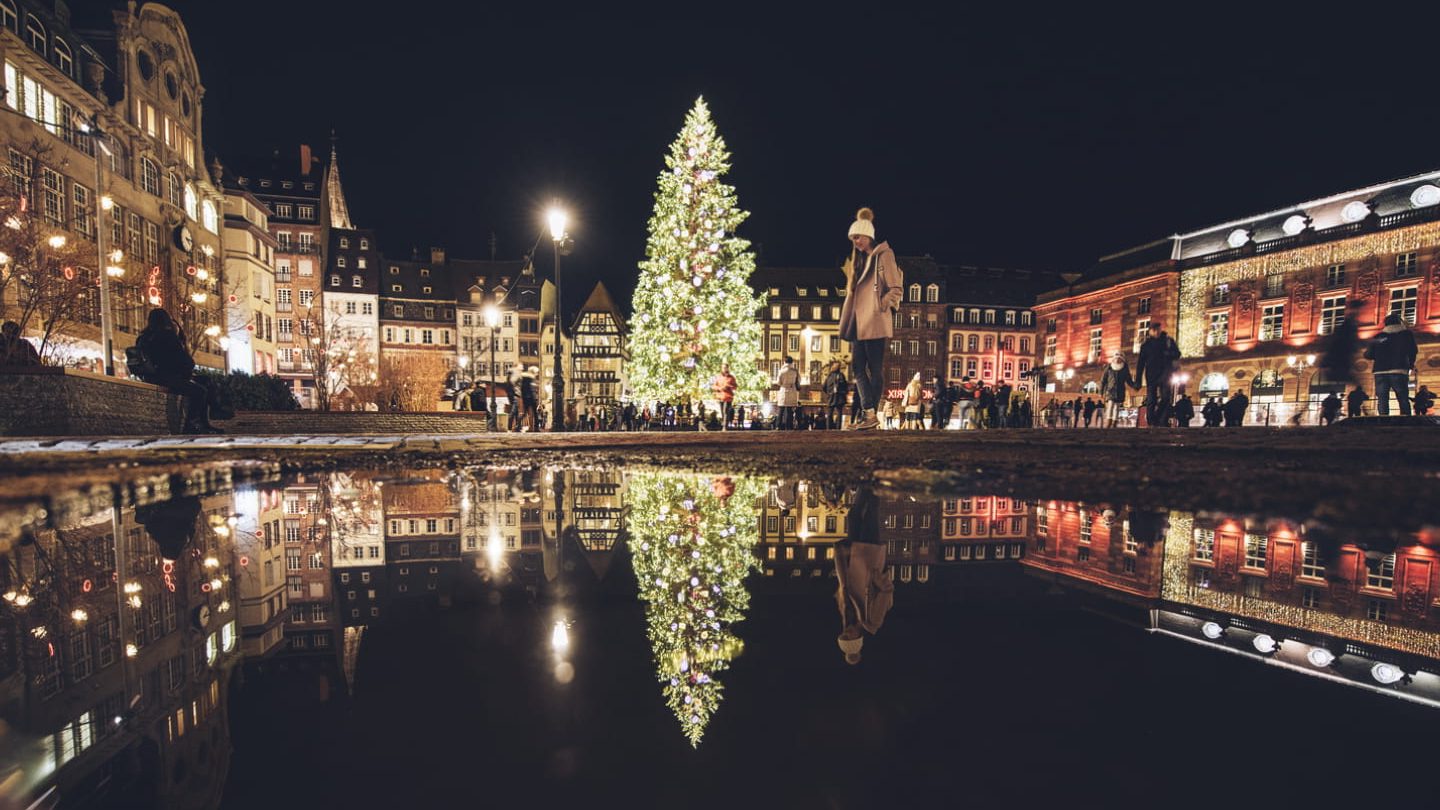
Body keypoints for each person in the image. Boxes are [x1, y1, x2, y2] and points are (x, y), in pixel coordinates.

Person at [837, 207, 903, 430]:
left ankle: (870, 415)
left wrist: (881, 306)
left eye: (857, 237)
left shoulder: (884, 255)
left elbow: (895, 287)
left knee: (875, 369)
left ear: (868, 235)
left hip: (874, 320)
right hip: (858, 322)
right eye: (852, 238)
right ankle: (870, 413)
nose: (855, 241)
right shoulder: (860, 261)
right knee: (857, 368)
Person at [135, 308, 221, 434]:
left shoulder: (144, 337)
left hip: (153, 376)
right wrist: (183, 342)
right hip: (168, 377)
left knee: (205, 381)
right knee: (200, 391)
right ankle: (191, 424)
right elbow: (186, 362)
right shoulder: (167, 336)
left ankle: (204, 423)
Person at [833, 485, 892, 666]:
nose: (846, 632)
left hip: (854, 557)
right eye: (849, 636)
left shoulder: (846, 615)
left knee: (853, 515)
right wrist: (876, 576)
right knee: (871, 515)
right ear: (857, 638)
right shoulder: (872, 621)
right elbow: (887, 592)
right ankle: (877, 480)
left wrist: (842, 561)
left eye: (843, 635)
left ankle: (865, 481)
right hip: (869, 558)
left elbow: (842, 587)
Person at [1363, 312, 1418, 416]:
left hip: (1380, 371)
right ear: (1399, 322)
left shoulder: (1379, 337)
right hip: (1399, 369)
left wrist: (1379, 355)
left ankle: (1383, 420)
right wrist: (1410, 365)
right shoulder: (1406, 334)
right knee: (1402, 397)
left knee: (1382, 398)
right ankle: (1406, 420)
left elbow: (1368, 354)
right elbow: (1413, 351)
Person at [1135, 321, 1180, 427]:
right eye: (1154, 330)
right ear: (1150, 331)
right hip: (1151, 375)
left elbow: (1177, 353)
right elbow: (1140, 363)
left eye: (1158, 329)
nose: (1156, 332)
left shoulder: (1168, 341)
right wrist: (1138, 380)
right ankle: (1151, 421)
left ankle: (1159, 418)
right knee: (1151, 400)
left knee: (1166, 397)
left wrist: (1168, 353)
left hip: (1166, 373)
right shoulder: (1146, 345)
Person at [1098, 351, 1136, 428]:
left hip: (1120, 390)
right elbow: (1103, 380)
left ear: (1122, 360)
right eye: (1116, 358)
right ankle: (1109, 421)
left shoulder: (1124, 368)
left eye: (1119, 359)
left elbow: (1128, 379)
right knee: (1110, 406)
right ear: (1114, 359)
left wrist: (1134, 385)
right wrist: (1100, 391)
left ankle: (1114, 422)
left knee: (1117, 407)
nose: (1117, 360)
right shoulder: (1109, 367)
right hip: (1110, 390)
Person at [711, 363, 738, 430]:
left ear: (728, 368)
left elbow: (735, 386)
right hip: (720, 397)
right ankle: (724, 424)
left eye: (725, 367)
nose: (724, 369)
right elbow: (713, 386)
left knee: (725, 411)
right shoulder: (718, 377)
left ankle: (724, 426)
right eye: (723, 368)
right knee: (723, 412)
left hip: (728, 397)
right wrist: (719, 388)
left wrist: (728, 386)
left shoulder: (731, 378)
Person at [775, 356, 800, 430]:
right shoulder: (795, 371)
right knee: (790, 410)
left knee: (781, 409)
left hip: (783, 390)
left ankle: (778, 426)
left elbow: (778, 382)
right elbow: (799, 380)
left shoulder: (781, 371)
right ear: (792, 362)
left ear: (784, 362)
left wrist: (783, 384)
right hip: (792, 390)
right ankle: (789, 426)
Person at [823, 361, 848, 428]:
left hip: (830, 397)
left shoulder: (829, 376)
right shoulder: (841, 375)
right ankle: (838, 428)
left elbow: (824, 387)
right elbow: (845, 386)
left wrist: (828, 393)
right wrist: (844, 393)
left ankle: (828, 428)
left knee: (829, 413)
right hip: (839, 397)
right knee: (839, 413)